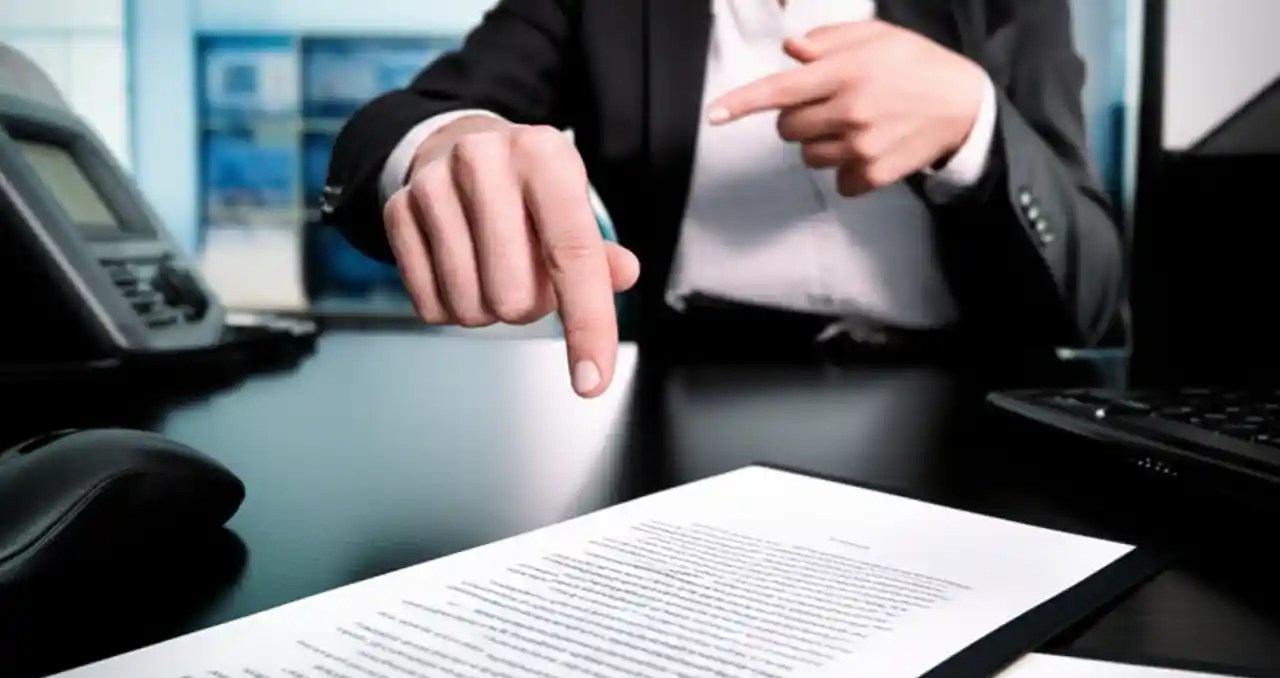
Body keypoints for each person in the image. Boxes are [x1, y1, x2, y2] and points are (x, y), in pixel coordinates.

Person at [322, 0, 1125, 398]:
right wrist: (445, 149)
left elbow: (1092, 298)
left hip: (966, 414)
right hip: (678, 405)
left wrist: (974, 120)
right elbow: (397, 124)